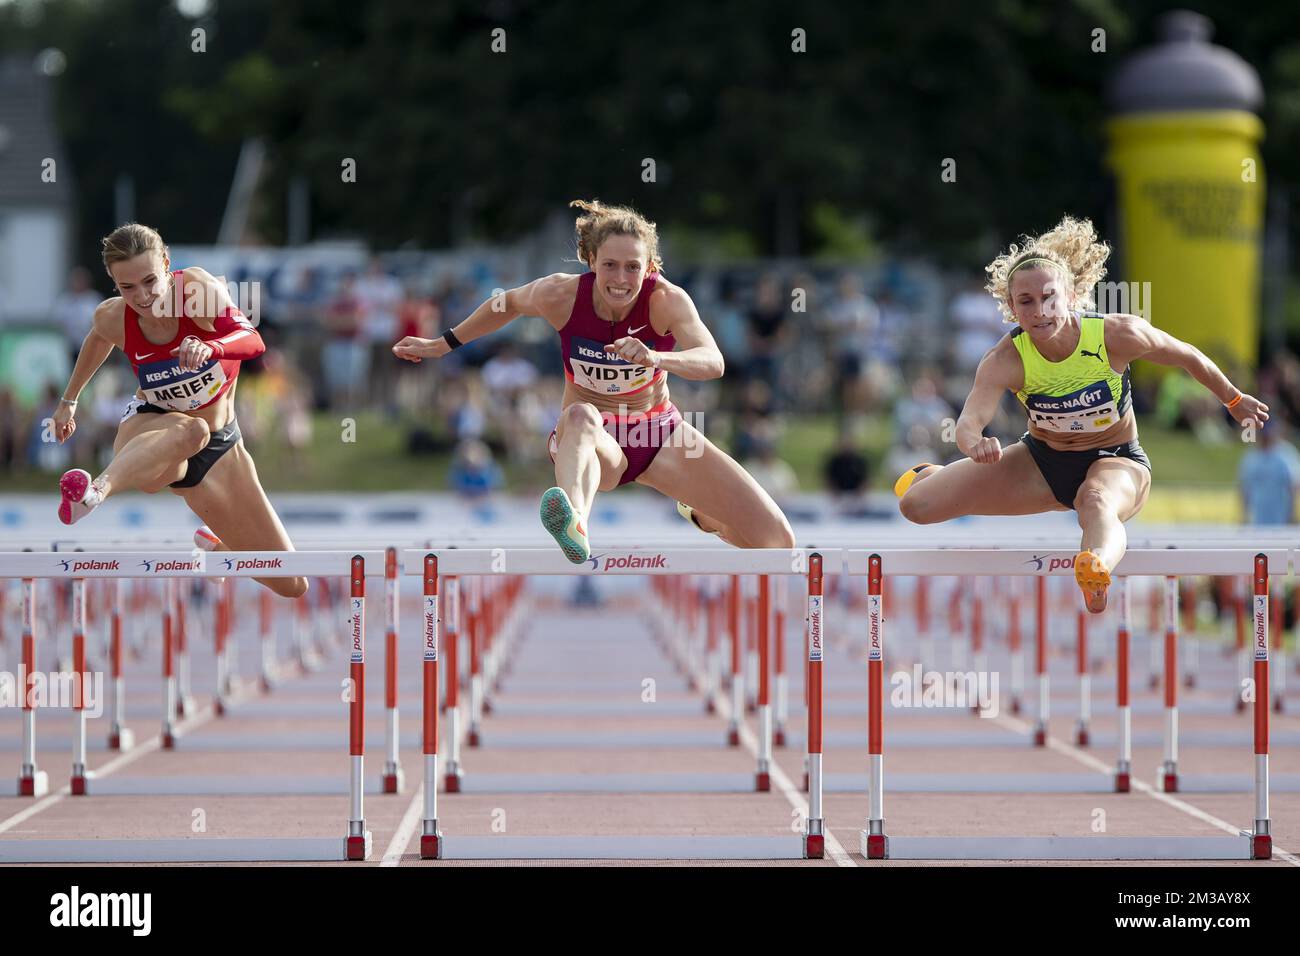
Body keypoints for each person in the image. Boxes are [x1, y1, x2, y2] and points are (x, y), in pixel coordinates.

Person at [895, 215, 1267, 612]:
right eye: (1026, 302)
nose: (1040, 312)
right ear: (1011, 308)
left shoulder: (1115, 334)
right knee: (915, 506)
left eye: (1049, 297)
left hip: (1116, 461)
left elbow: (1186, 355)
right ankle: (935, 476)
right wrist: (974, 446)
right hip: (1042, 463)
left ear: (1071, 296)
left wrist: (1231, 398)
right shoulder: (1004, 359)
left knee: (1095, 499)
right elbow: (969, 421)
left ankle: (1096, 569)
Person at [394, 199, 795, 561]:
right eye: (610, 266)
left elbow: (713, 361)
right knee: (583, 415)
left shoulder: (666, 301)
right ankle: (575, 524)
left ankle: (702, 516)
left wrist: (657, 356)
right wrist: (443, 343)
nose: (621, 279)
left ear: (650, 267)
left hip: (657, 435)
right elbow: (506, 303)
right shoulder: (561, 295)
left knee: (777, 542)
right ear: (590, 261)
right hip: (591, 443)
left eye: (632, 267)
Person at [51, 223, 307, 598]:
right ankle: (95, 492)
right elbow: (97, 340)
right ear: (114, 283)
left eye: (150, 281)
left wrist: (213, 347)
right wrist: (67, 402)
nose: (142, 296)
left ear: (167, 264)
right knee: (190, 432)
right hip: (150, 429)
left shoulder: (198, 292)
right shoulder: (112, 316)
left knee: (291, 582)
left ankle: (216, 548)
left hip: (222, 448)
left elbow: (253, 340)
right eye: (127, 287)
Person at [1238, 419, 1300, 525]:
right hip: (1258, 517)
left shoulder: (1286, 454)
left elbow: (1293, 486)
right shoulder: (1251, 457)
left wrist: (1292, 514)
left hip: (1281, 515)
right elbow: (1245, 487)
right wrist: (1244, 515)